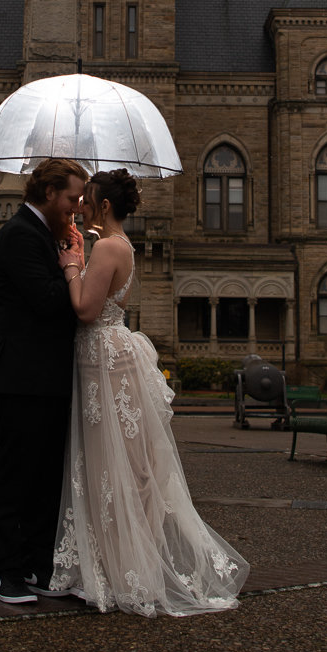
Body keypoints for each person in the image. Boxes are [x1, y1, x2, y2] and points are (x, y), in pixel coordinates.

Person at [49, 169, 248, 616]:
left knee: (109, 462)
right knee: (119, 463)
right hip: (108, 358)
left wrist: (70, 266)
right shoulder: (123, 246)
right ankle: (121, 561)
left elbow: (84, 309)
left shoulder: (107, 248)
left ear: (102, 206)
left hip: (104, 360)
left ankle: (122, 568)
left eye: (88, 200)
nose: (80, 206)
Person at [0, 156, 88, 605]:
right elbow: (47, 301)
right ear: (48, 193)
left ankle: (38, 566)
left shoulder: (48, 235)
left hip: (51, 377)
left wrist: (68, 254)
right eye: (71, 197)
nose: (77, 206)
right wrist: (73, 267)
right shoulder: (19, 236)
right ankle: (4, 570)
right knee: (15, 474)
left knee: (46, 478)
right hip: (24, 378)